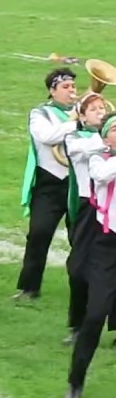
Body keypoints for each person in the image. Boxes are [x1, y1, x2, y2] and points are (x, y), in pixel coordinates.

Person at [15, 68, 81, 301]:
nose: (71, 91)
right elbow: (47, 137)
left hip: (78, 184)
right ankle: (29, 287)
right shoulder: (40, 114)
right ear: (52, 91)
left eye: (73, 86)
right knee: (38, 234)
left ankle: (87, 289)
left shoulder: (84, 112)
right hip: (49, 183)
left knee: (81, 240)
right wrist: (75, 122)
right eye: (65, 87)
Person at [66, 112, 116, 398]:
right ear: (106, 135)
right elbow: (103, 176)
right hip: (107, 246)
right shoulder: (98, 158)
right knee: (95, 314)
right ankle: (76, 379)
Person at [62, 94, 111, 344]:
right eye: (92, 109)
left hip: (110, 210)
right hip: (86, 209)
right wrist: (107, 140)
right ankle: (77, 325)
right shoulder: (75, 138)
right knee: (78, 268)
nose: (99, 112)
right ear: (81, 116)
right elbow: (87, 149)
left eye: (102, 108)